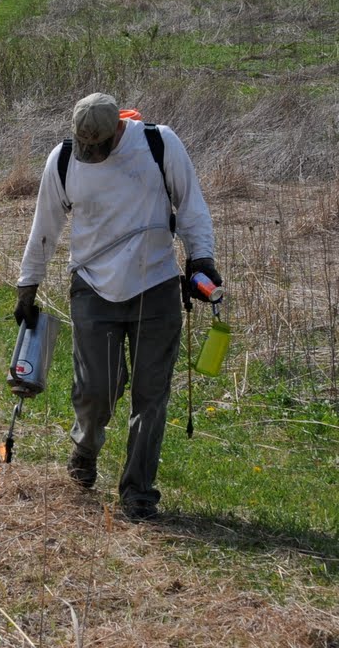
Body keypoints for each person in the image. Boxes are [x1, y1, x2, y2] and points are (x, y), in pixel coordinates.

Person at [13, 92, 221, 522]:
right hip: (92, 288)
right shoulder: (64, 158)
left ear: (117, 131)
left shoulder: (159, 144)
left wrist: (202, 257)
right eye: (83, 144)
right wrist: (27, 285)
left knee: (151, 396)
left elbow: (192, 205)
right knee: (96, 391)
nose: (90, 152)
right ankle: (85, 449)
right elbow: (46, 226)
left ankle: (138, 489)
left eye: (97, 145)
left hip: (156, 285)